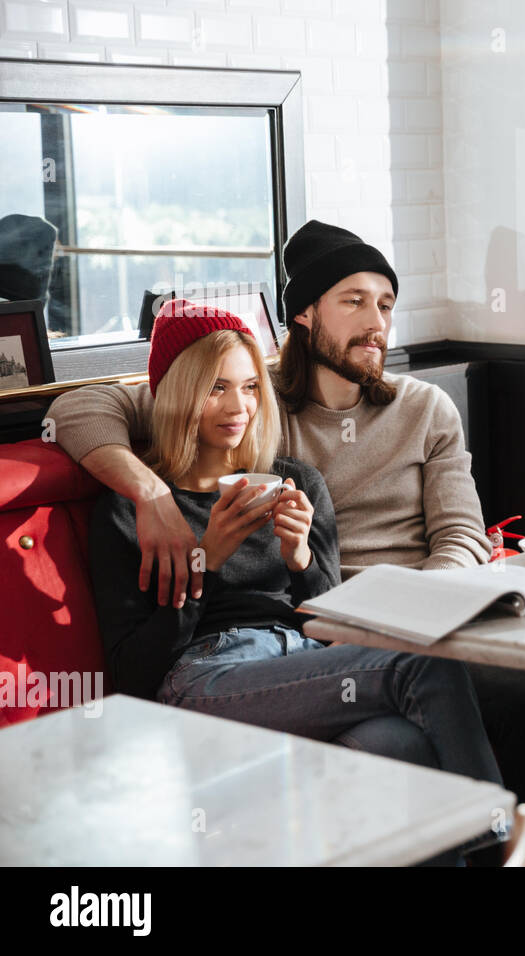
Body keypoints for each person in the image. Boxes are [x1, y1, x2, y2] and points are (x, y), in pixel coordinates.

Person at [51, 220, 525, 866]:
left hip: (442, 618)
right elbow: (86, 409)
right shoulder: (256, 414)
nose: (377, 322)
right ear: (305, 316)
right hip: (346, 641)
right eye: (355, 300)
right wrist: (153, 495)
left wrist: (426, 603)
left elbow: (458, 535)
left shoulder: (420, 411)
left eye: (387, 304)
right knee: (516, 705)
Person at [88, 299, 502, 811]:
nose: (238, 407)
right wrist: (206, 561)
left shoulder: (297, 482)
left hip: (302, 662)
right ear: (175, 394)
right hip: (203, 679)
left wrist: (300, 557)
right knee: (420, 663)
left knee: (401, 746)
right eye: (215, 388)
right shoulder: (132, 512)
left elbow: (331, 621)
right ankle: (498, 834)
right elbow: (133, 673)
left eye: (250, 387)